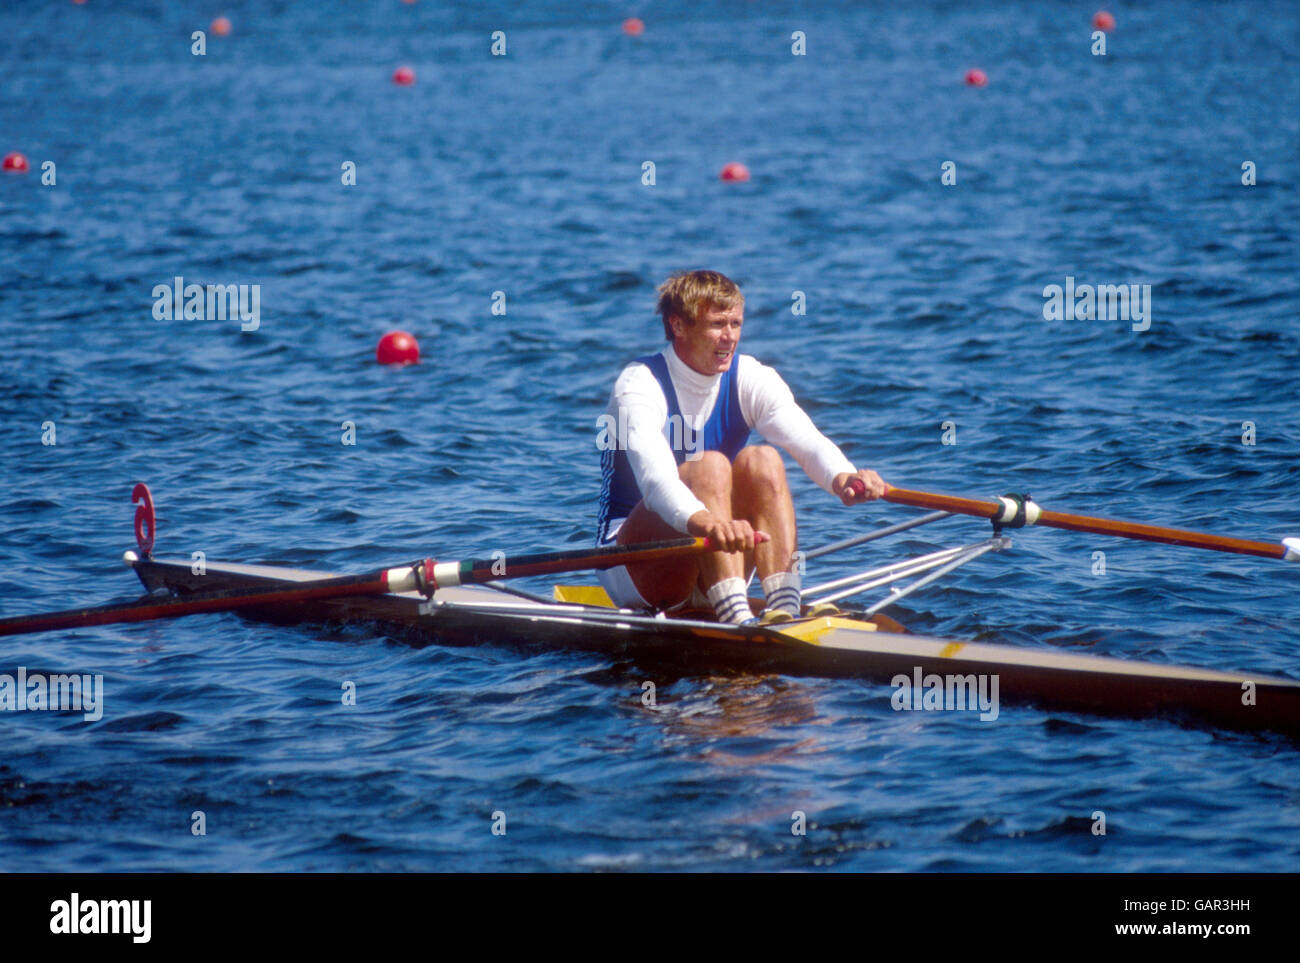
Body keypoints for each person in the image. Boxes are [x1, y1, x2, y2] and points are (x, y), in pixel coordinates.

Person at [594, 270, 887, 625]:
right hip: (636, 568)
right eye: (717, 324)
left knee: (762, 459)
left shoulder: (751, 377)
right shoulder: (639, 385)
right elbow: (656, 484)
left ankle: (783, 604)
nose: (730, 337)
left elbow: (809, 443)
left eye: (736, 323)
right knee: (710, 466)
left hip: (722, 553)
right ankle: (735, 616)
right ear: (679, 326)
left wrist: (844, 478)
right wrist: (707, 523)